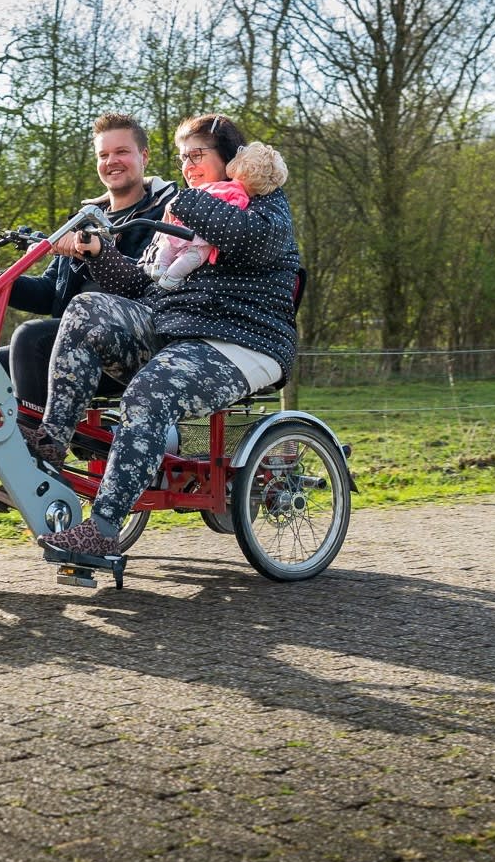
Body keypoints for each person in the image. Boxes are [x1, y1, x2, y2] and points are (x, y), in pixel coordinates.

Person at [25, 113, 301, 558]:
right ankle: (51, 442)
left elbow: (248, 238)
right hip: (175, 331)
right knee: (87, 308)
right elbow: (143, 285)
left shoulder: (263, 203)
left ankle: (103, 529)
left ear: (231, 160)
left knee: (148, 395)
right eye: (183, 159)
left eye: (198, 156)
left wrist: (191, 199)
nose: (188, 166)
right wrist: (99, 252)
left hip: (241, 340)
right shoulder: (190, 209)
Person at [0, 112, 171, 476]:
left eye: (122, 152)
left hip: (131, 346)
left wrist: (94, 251)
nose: (111, 162)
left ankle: (33, 465)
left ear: (144, 156)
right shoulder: (84, 218)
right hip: (68, 343)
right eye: (103, 155)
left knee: (31, 337)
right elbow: (50, 292)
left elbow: (145, 283)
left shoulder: (163, 213)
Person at [140, 141, 287, 289]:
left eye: (197, 155)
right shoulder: (242, 197)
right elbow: (231, 218)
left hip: (182, 225)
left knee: (170, 245)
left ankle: (159, 266)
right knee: (195, 256)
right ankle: (171, 278)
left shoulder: (214, 184)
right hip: (201, 236)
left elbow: (198, 195)